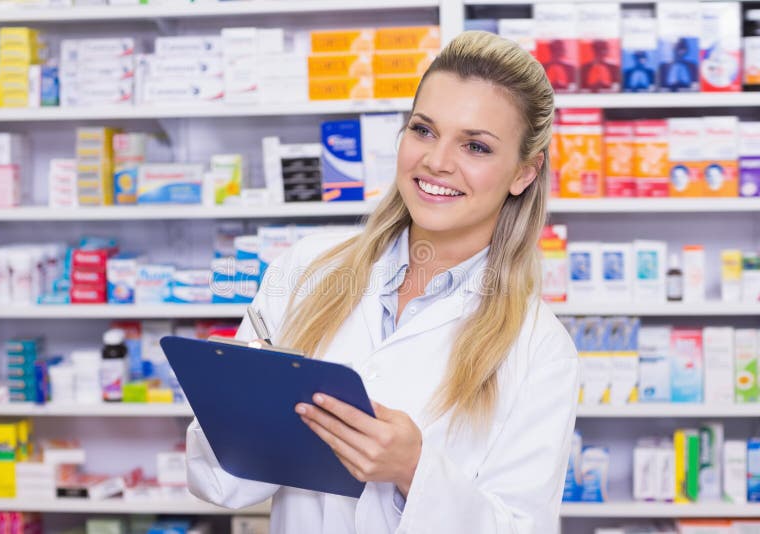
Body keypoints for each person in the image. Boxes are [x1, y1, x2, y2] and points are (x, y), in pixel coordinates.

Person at [186, 31, 579, 534]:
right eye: (424, 130)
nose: (437, 161)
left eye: (476, 145)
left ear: (524, 172)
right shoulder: (306, 271)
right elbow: (221, 485)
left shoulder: (540, 351)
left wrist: (414, 472)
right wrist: (238, 400)